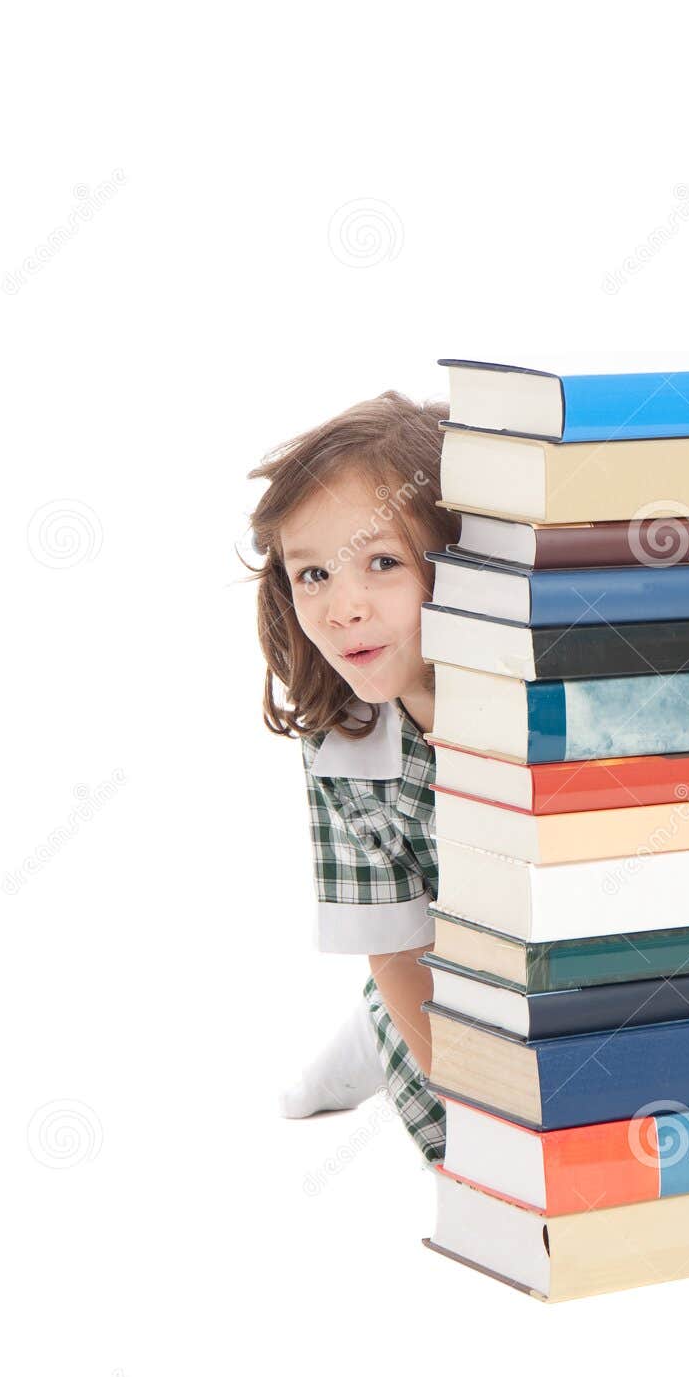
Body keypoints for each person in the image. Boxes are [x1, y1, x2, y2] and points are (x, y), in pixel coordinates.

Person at [245, 389, 461, 1166]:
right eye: (312, 575)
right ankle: (363, 1045)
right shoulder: (345, 747)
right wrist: (483, 1107)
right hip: (432, 968)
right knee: (416, 1067)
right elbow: (398, 950)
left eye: (382, 563)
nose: (343, 608)